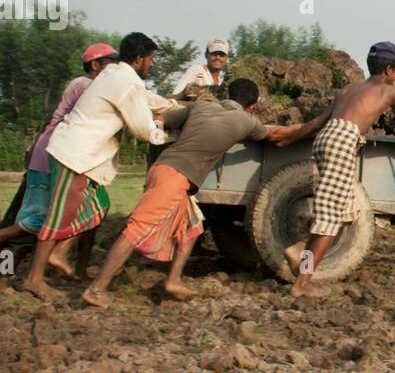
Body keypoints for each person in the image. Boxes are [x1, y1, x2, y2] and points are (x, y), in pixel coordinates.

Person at [80, 78, 296, 308]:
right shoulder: (245, 120)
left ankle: (173, 281)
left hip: (166, 170)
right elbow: (276, 135)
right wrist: (316, 124)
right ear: (253, 105)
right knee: (136, 230)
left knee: (192, 228)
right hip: (174, 177)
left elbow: (163, 119)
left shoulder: (201, 106)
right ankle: (96, 289)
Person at [21, 32, 166, 301]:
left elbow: (145, 99)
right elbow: (145, 130)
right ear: (138, 59)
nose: (152, 64)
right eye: (151, 59)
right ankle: (34, 279)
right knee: (59, 217)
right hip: (74, 155)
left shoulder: (115, 76)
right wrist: (160, 126)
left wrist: (172, 103)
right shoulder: (126, 83)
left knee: (99, 206)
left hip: (79, 155)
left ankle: (59, 253)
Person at [0, 42, 120, 276]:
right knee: (41, 218)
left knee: (43, 217)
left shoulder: (87, 87)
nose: (116, 72)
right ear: (95, 65)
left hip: (55, 156)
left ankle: (5, 266)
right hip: (53, 156)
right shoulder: (86, 85)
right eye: (111, 65)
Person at [276, 42, 395, 297]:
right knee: (331, 219)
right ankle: (301, 283)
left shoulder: (348, 89)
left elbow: (316, 122)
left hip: (326, 138)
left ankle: (300, 251)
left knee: (345, 211)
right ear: (390, 69)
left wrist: (288, 140)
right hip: (343, 141)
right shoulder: (390, 92)